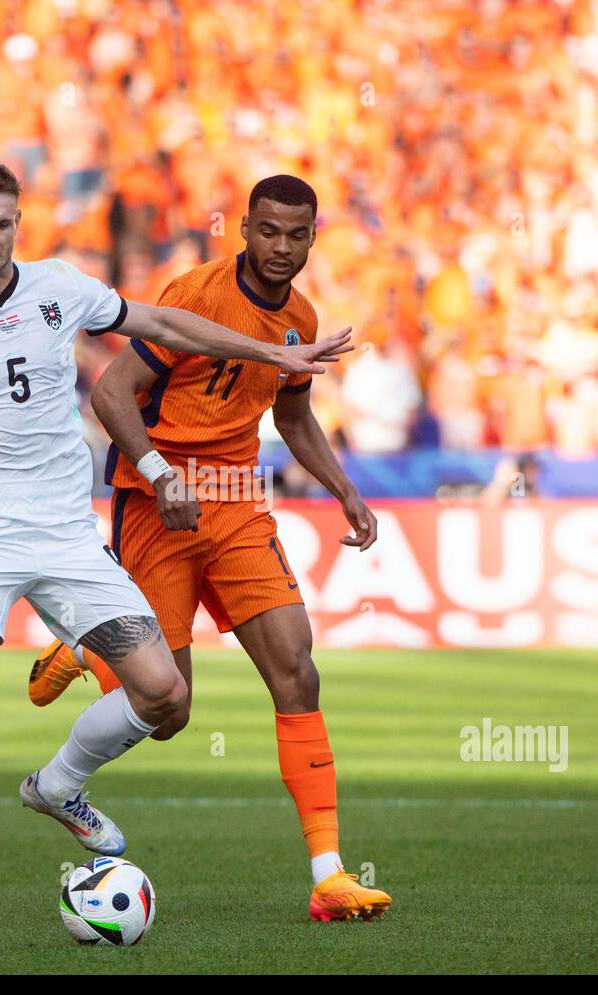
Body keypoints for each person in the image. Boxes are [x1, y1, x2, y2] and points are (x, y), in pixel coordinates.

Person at [0, 160, 352, 934]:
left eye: (2, 224)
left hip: (67, 534)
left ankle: (58, 787)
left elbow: (163, 326)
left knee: (165, 695)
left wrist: (275, 355)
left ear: (17, 221)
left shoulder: (59, 287)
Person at [27, 176, 392, 922]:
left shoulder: (299, 319)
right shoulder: (196, 296)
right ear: (246, 230)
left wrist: (343, 489)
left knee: (298, 668)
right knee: (169, 711)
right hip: (156, 501)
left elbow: (293, 419)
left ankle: (329, 875)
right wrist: (160, 474)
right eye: (267, 232)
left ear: (313, 237)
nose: (281, 248)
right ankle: (89, 648)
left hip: (235, 504)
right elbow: (109, 393)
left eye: (295, 235)